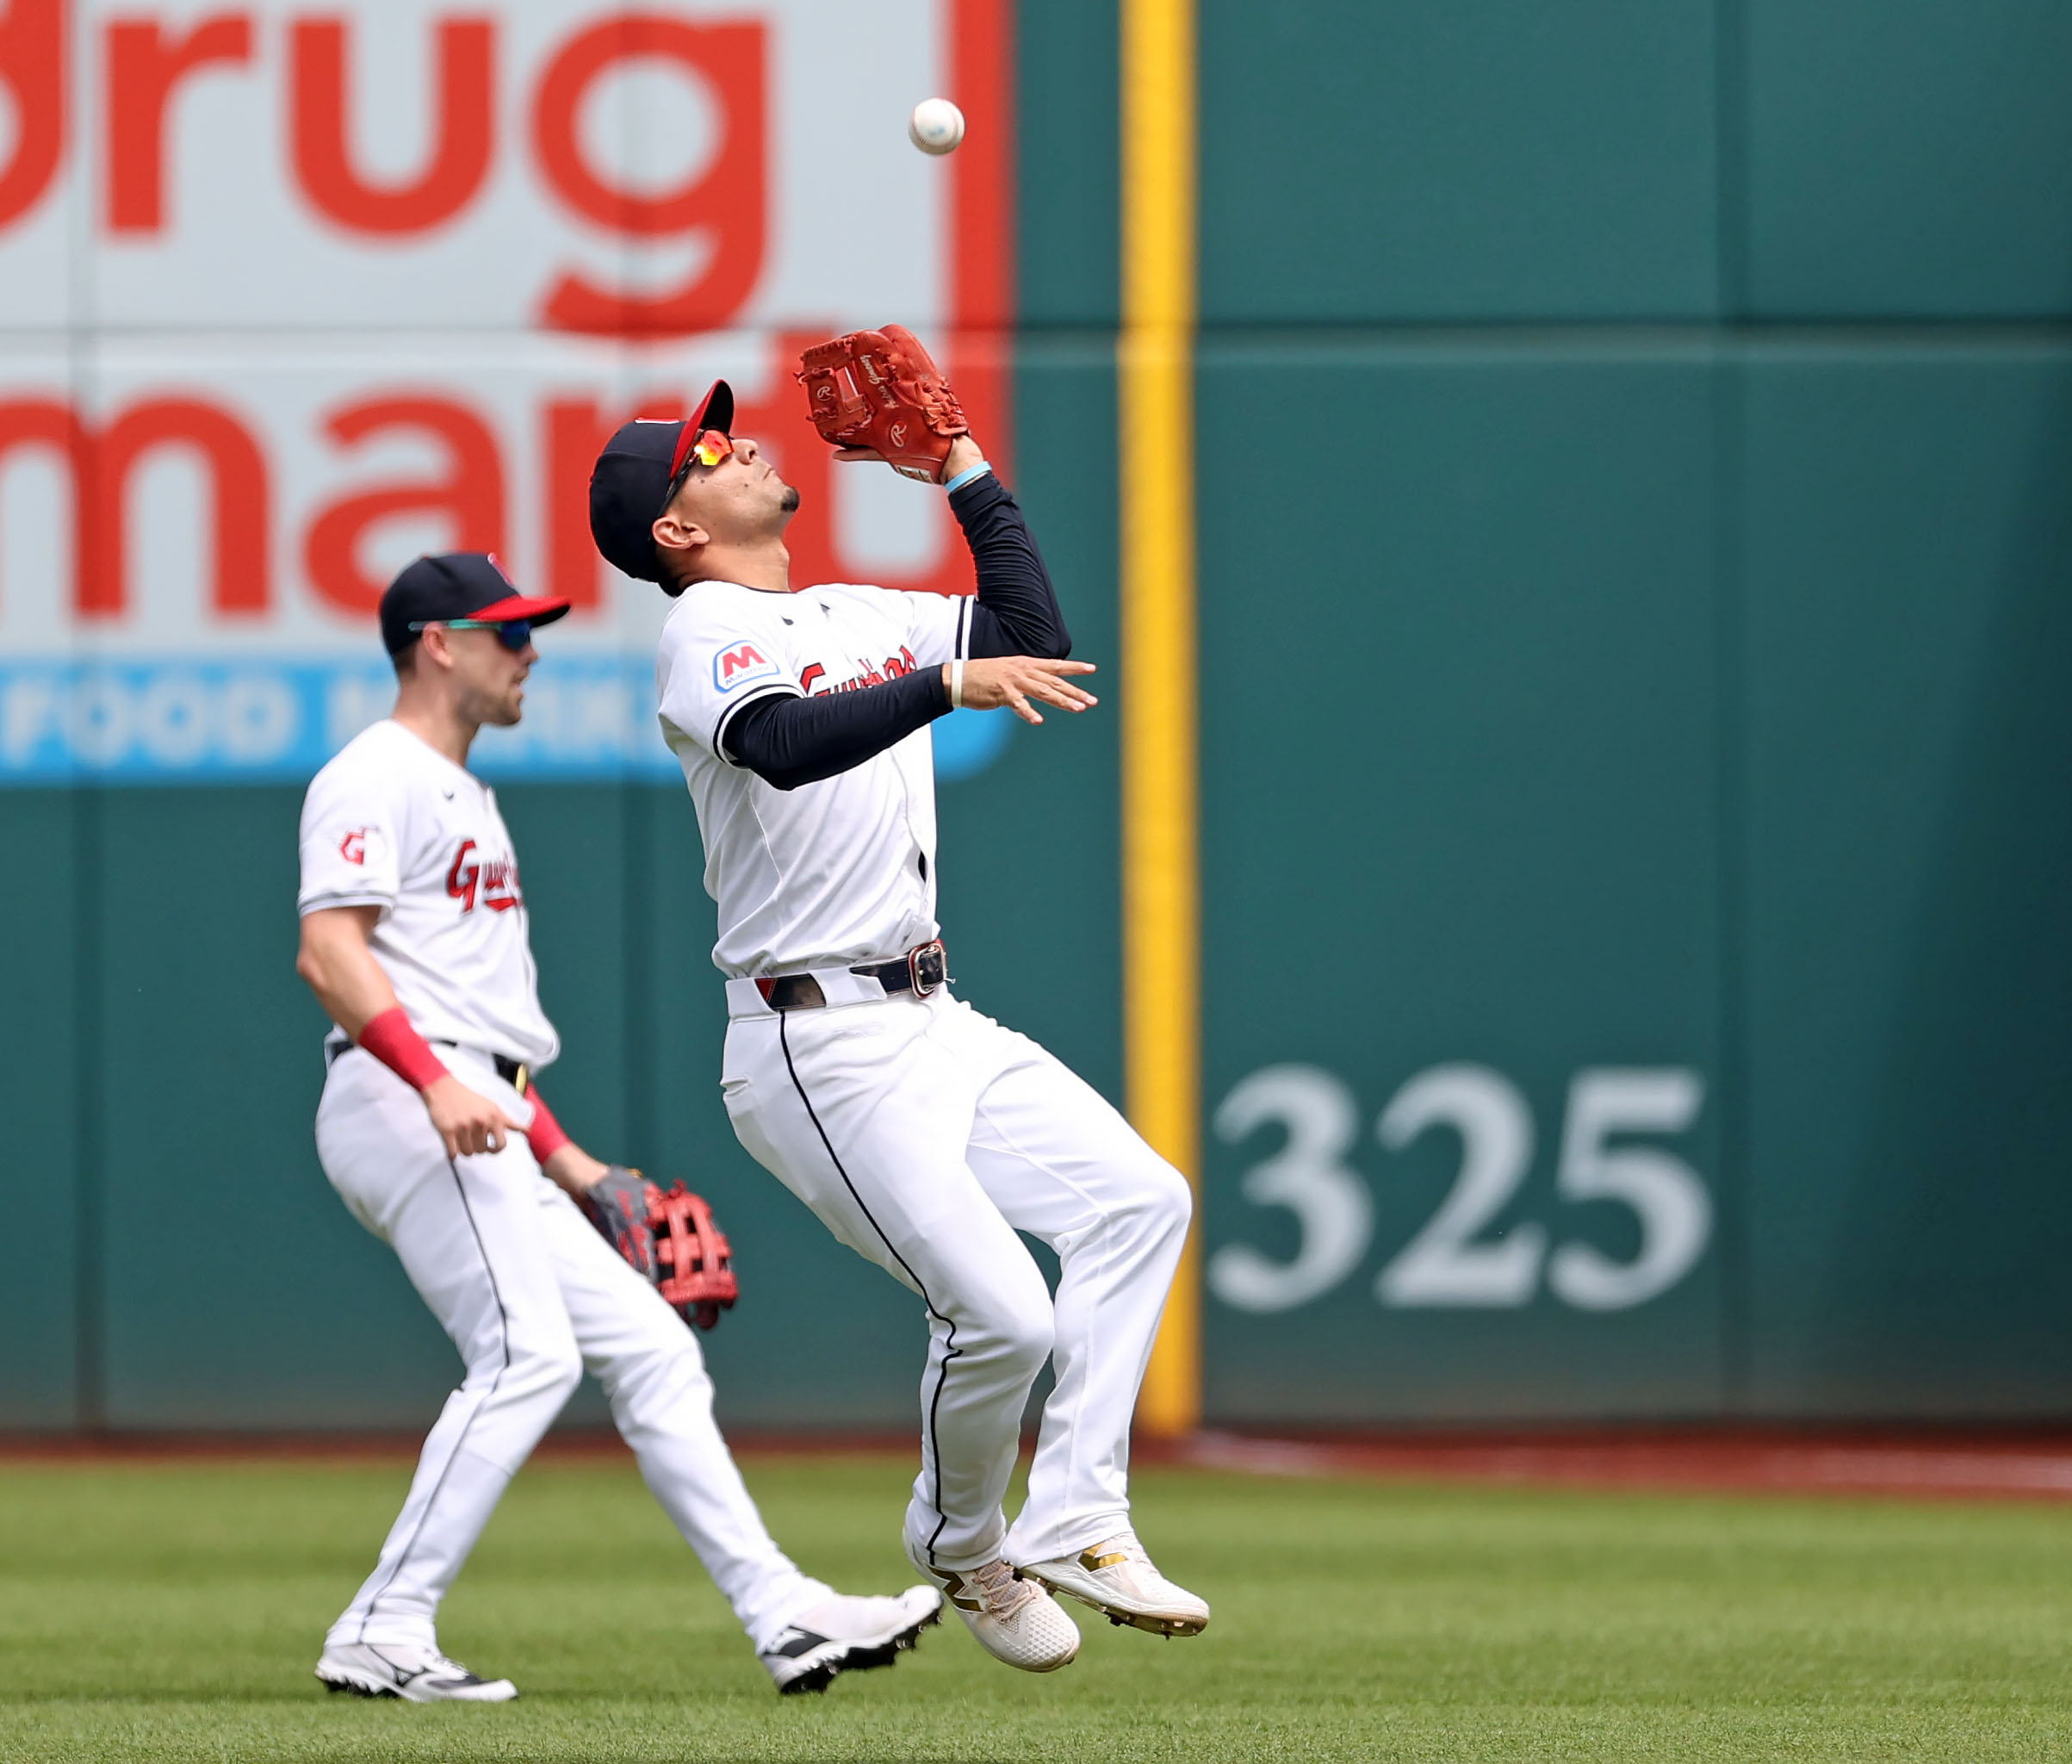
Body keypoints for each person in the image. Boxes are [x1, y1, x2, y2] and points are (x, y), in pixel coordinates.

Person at [585, 369, 1209, 1676]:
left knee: (1138, 1203)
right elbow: (782, 745)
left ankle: (1080, 1511)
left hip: (933, 1013)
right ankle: (956, 1540)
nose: (740, 439)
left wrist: (965, 471)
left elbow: (1031, 628)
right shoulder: (705, 630)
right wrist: (944, 690)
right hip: (816, 1044)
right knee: (1005, 1319)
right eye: (706, 449)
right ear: (678, 531)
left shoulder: (852, 607)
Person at [293, 551, 940, 1702]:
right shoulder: (375, 772)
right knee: (526, 1353)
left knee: (647, 1351)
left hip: (469, 1098)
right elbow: (330, 952)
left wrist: (578, 1170)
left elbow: (476, 1035)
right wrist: (431, 1084)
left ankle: (784, 1615)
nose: (527, 650)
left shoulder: (461, 791)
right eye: (507, 633)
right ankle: (383, 1626)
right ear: (437, 641)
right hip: (408, 1098)